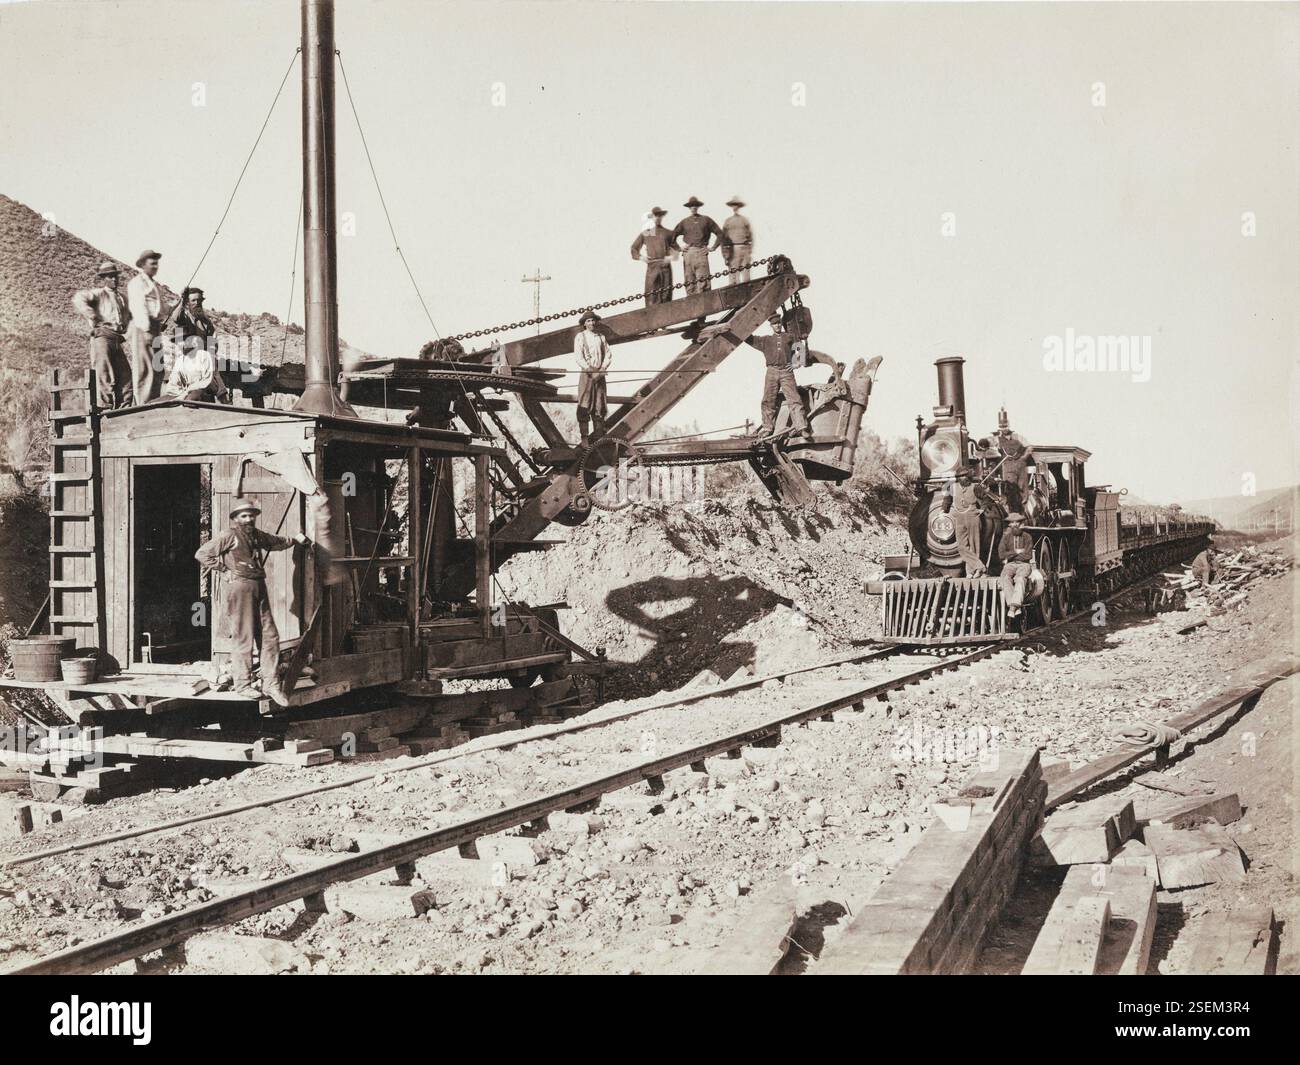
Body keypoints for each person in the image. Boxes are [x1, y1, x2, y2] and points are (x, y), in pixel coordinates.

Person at [195, 498, 309, 705]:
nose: (249, 519)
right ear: (236, 519)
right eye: (244, 516)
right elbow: (202, 554)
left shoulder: (256, 536)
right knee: (244, 637)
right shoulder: (229, 535)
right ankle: (243, 685)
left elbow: (276, 542)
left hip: (259, 586)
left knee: (270, 636)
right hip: (240, 587)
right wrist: (224, 570)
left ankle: (271, 684)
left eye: (251, 515)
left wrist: (295, 540)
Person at [71, 261, 132, 410]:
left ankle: (125, 409)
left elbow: (130, 316)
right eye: (110, 277)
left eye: (115, 277)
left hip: (117, 338)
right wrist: (94, 317)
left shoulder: (122, 298)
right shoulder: (99, 294)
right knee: (103, 374)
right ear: (104, 279)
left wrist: (127, 329)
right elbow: (78, 298)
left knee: (125, 377)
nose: (114, 280)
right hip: (103, 337)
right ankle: (105, 409)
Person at [747, 312, 810, 440]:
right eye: (774, 324)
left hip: (787, 372)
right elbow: (749, 339)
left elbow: (801, 349)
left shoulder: (789, 337)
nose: (777, 326)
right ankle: (768, 428)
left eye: (779, 323)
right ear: (771, 326)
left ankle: (802, 427)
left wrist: (797, 363)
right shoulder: (765, 340)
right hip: (772, 371)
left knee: (794, 399)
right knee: (767, 400)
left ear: (781, 324)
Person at [166, 287, 229, 402]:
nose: (196, 303)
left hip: (203, 360)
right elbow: (175, 317)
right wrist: (182, 300)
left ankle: (225, 403)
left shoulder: (206, 322)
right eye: (193, 301)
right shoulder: (184, 317)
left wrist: (208, 356)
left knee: (214, 382)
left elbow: (213, 343)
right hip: (186, 360)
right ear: (187, 303)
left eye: (199, 301)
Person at [126, 249, 165, 405]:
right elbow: (138, 307)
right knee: (145, 368)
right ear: (143, 265)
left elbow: (161, 309)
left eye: (157, 263)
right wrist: (146, 329)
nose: (155, 266)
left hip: (155, 327)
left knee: (157, 368)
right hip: (144, 328)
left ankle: (153, 402)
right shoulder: (137, 283)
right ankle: (143, 404)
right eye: (152, 263)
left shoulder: (154, 285)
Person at [671, 196, 723, 295]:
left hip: (701, 252)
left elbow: (720, 233)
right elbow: (672, 236)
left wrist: (713, 248)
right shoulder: (684, 222)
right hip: (688, 254)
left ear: (698, 207)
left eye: (695, 205)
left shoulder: (706, 220)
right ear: (689, 208)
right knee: (690, 283)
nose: (693, 207)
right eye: (691, 206)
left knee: (703, 283)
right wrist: (679, 248)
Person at [944, 469, 992, 577]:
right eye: (961, 476)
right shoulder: (952, 487)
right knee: (961, 547)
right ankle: (980, 567)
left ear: (968, 476)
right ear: (958, 478)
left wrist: (982, 509)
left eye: (965, 475)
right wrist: (944, 511)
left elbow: (986, 498)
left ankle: (971, 572)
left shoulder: (975, 487)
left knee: (974, 545)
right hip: (959, 517)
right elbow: (947, 500)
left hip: (973, 517)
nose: (963, 477)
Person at [574, 309, 611, 444]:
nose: (591, 323)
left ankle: (598, 437)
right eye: (588, 321)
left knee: (599, 404)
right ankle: (584, 438)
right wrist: (589, 369)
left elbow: (608, 354)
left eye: (593, 320)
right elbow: (578, 356)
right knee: (585, 403)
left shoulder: (601, 337)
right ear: (584, 324)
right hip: (587, 374)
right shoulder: (580, 337)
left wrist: (602, 369)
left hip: (600, 374)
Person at [630, 207, 676, 306]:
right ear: (652, 217)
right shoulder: (647, 232)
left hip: (665, 266)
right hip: (652, 266)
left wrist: (670, 257)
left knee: (666, 294)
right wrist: (641, 257)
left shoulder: (668, 232)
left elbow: (676, 249)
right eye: (656, 215)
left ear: (662, 217)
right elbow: (634, 248)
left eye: (660, 215)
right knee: (651, 294)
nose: (658, 218)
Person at [998, 513, 1035, 618]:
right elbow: (1001, 555)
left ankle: (1012, 607)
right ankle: (1015, 606)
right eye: (1012, 522)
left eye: (1017, 522)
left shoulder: (1027, 537)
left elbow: (1028, 555)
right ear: (1009, 524)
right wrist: (1017, 552)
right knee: (1005, 577)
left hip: (1024, 565)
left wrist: (1011, 554)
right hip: (1010, 564)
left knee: (1020, 578)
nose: (1014, 525)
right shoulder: (1006, 538)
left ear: (1021, 523)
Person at [721, 195, 753, 284]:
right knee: (734, 276)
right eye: (733, 205)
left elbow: (751, 236)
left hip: (744, 248)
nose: (735, 207)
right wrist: (725, 255)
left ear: (739, 206)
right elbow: (723, 239)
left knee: (746, 275)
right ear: (731, 207)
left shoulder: (744, 220)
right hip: (733, 249)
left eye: (737, 205)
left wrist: (749, 250)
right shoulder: (727, 221)